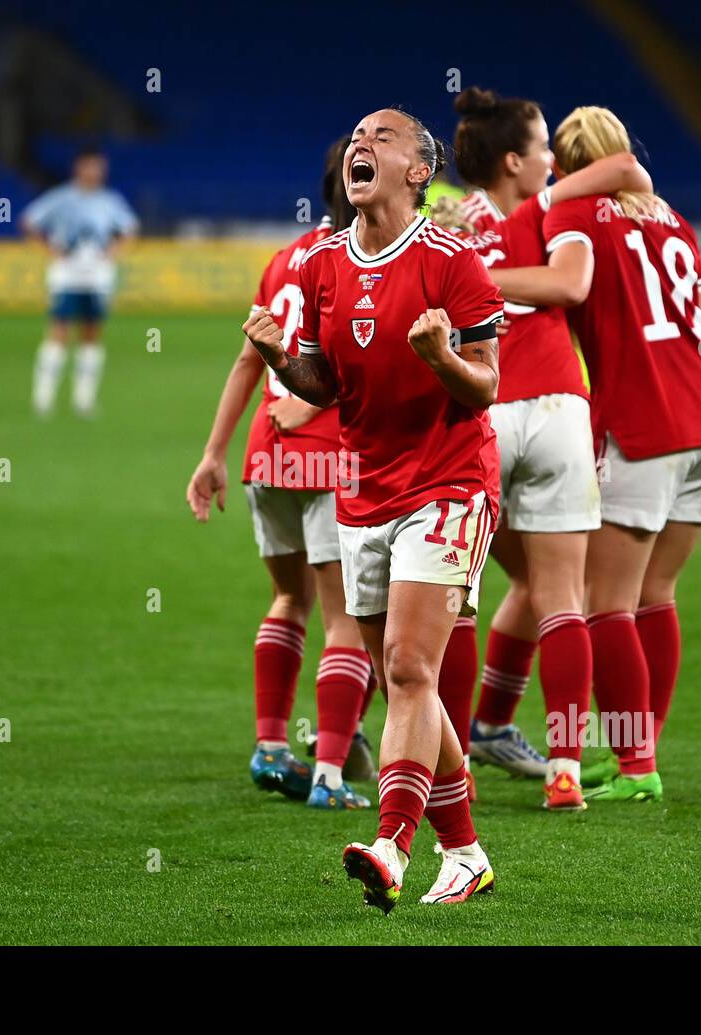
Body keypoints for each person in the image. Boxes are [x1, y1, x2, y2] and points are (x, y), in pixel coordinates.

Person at [245, 108, 503, 911]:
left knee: (407, 669)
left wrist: (442, 357)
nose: (362, 144)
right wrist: (281, 357)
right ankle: (464, 851)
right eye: (357, 137)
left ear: (419, 172)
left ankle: (393, 844)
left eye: (383, 138)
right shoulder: (323, 264)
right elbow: (327, 386)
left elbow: (487, 384)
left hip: (451, 484)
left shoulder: (453, 259)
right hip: (364, 492)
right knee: (407, 685)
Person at [490, 105, 701, 802]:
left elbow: (567, 286)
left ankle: (635, 764)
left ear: (569, 168)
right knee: (655, 594)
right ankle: (641, 753)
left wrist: (486, 278)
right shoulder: (676, 223)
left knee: (606, 603)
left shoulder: (576, 218)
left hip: (645, 421)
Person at [451, 86, 653, 809]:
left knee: (458, 598)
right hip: (560, 406)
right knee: (562, 596)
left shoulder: (445, 234)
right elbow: (628, 173)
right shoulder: (550, 214)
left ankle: (458, 763)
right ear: (516, 160)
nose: (553, 160)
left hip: (478, 412)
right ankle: (566, 767)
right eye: (543, 150)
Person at [187, 139, 375, 810]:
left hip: (267, 453)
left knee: (287, 600)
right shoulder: (358, 261)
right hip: (330, 451)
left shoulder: (285, 257)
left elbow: (247, 359)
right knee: (347, 619)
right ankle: (328, 776)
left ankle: (270, 747)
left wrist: (213, 453)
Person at [23, 146, 138, 418]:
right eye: (90, 166)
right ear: (78, 168)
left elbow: (130, 230)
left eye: (99, 166)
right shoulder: (62, 198)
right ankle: (43, 398)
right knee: (59, 331)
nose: (95, 172)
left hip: (97, 276)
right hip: (67, 274)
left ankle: (83, 400)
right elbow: (29, 221)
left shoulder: (110, 200)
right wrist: (51, 251)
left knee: (91, 334)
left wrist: (113, 254)